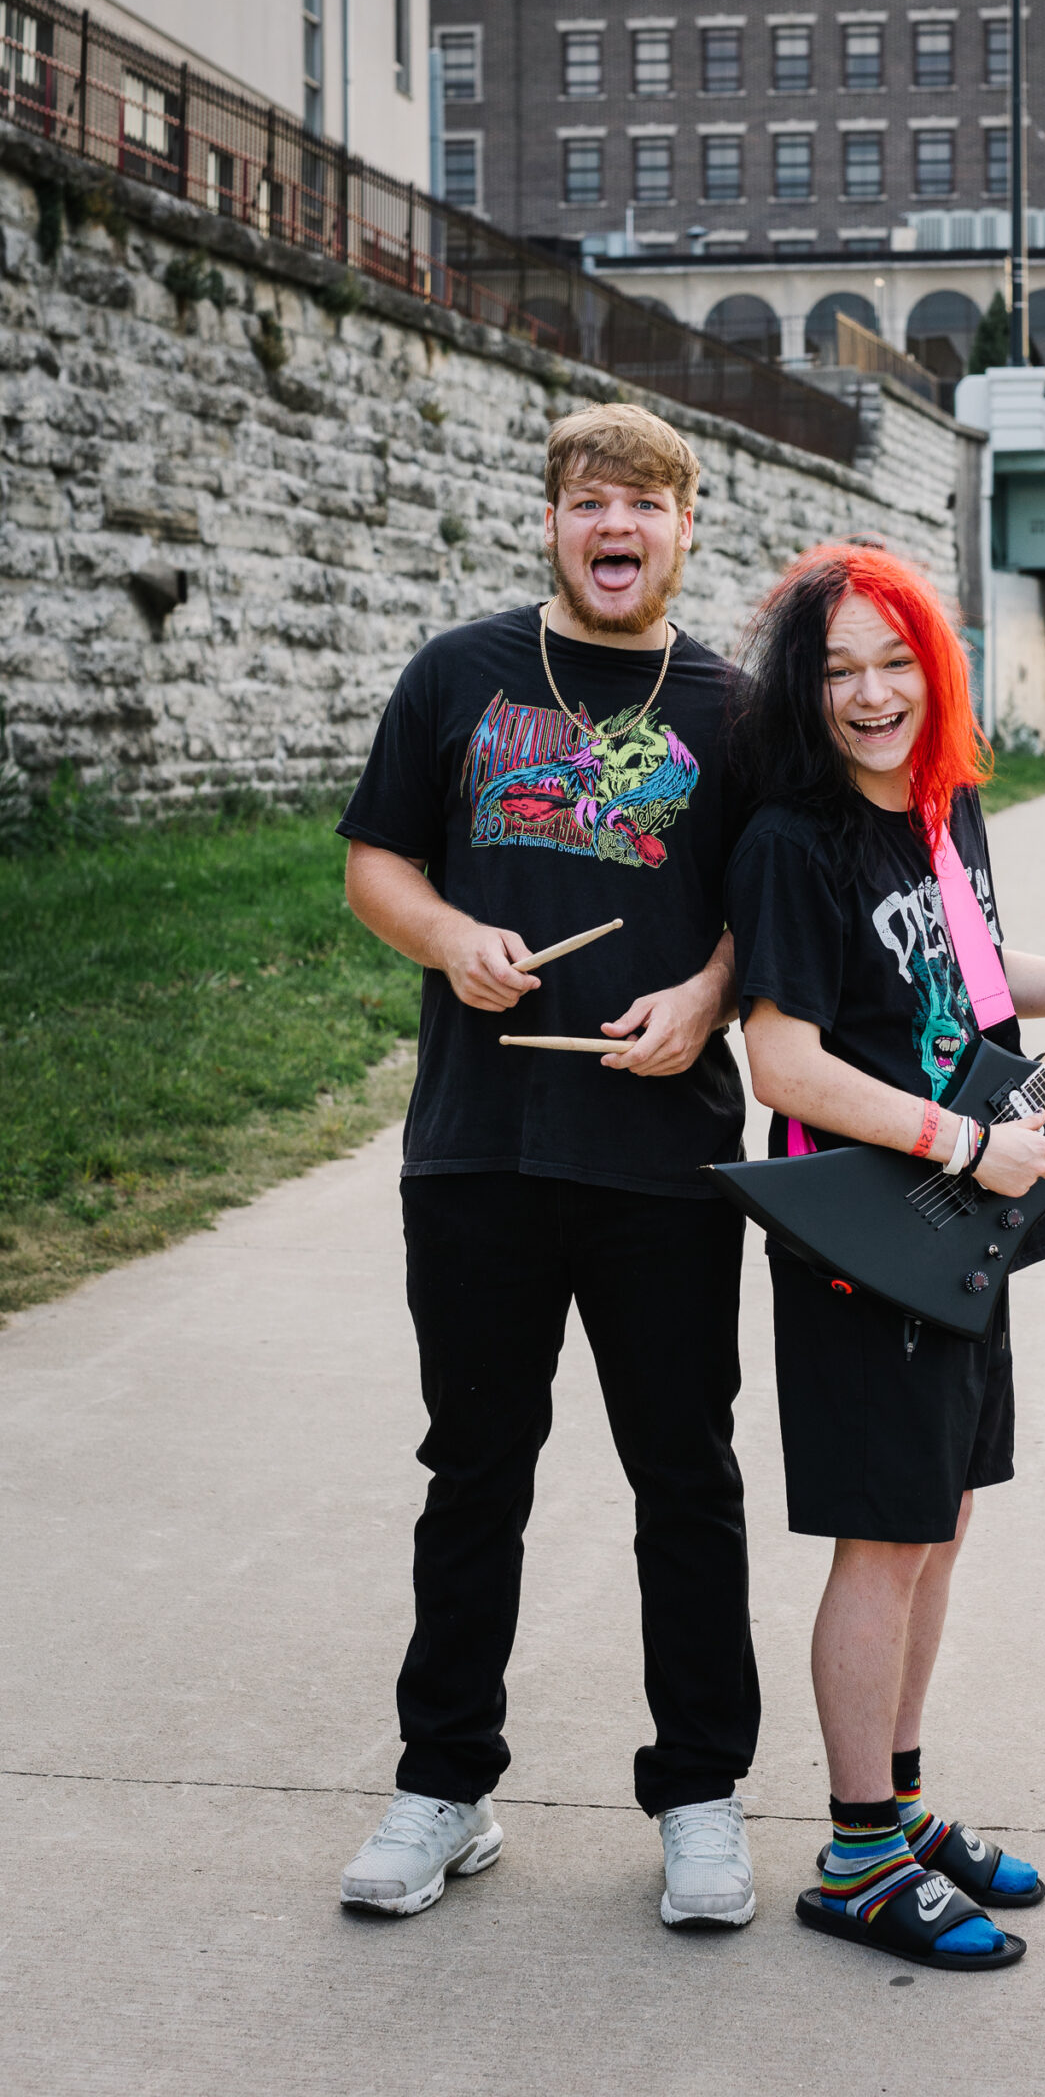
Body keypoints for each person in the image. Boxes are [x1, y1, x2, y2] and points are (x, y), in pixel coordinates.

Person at [724, 543, 1045, 1973]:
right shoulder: (792, 844)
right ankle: (858, 1852)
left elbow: (983, 980)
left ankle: (905, 1807)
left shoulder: (944, 808)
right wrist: (953, 1140)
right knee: (884, 1537)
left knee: (940, 1521)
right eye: (838, 672)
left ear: (934, 670)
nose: (872, 695)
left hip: (964, 1230)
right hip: (863, 1232)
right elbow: (784, 1063)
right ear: (803, 697)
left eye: (894, 662)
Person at [335, 404, 761, 1931]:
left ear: (685, 528)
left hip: (664, 1158)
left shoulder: (731, 707)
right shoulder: (460, 674)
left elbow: (757, 923)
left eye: (647, 502)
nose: (618, 526)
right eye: (591, 500)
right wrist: (448, 937)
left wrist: (704, 998)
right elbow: (375, 858)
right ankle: (446, 1787)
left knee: (685, 1482)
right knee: (474, 1474)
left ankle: (702, 1800)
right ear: (552, 523)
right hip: (477, 1152)